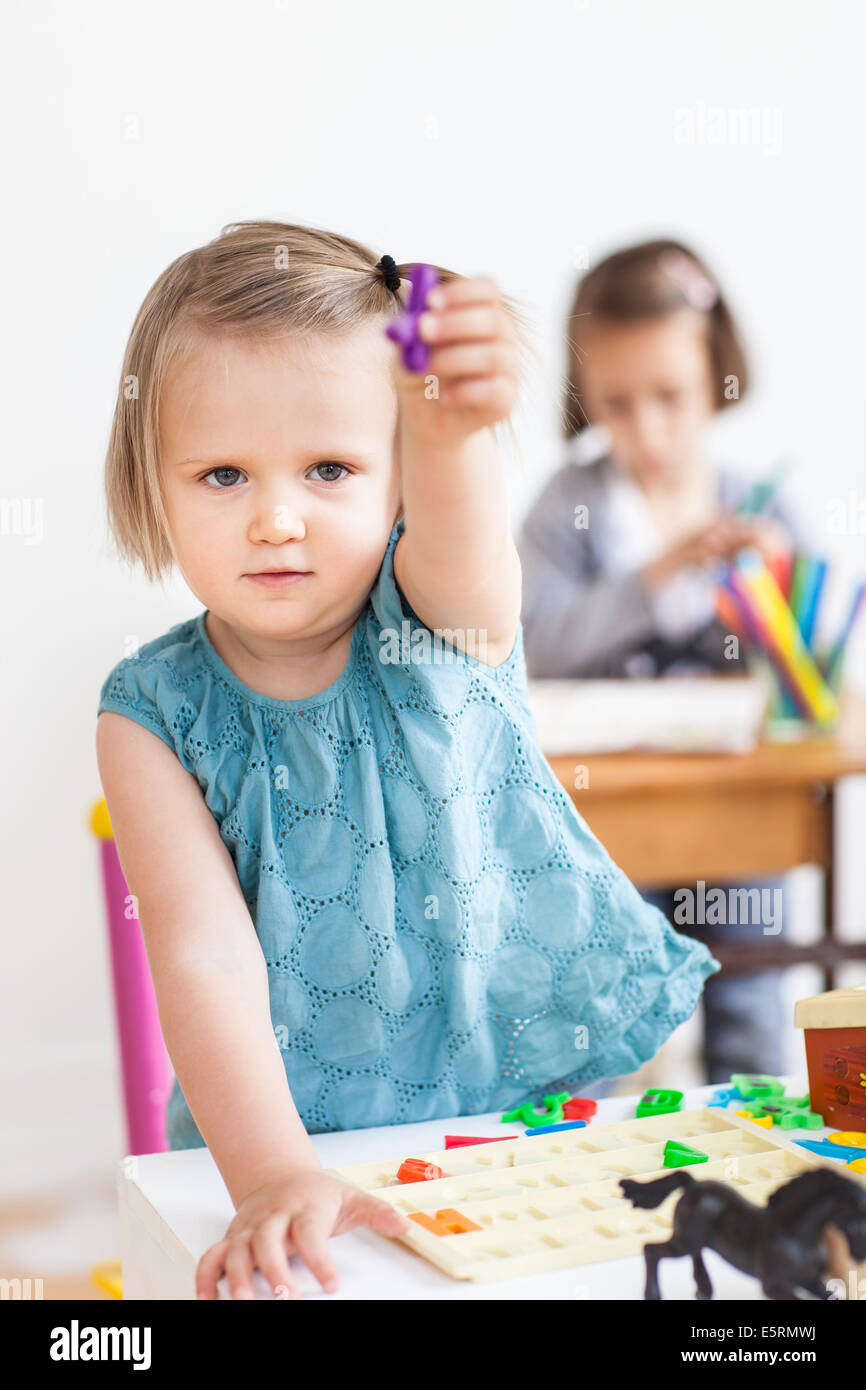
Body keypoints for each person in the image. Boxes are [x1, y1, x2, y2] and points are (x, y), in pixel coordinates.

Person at [96, 221, 717, 1299]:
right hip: (283, 1146)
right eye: (222, 474)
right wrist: (273, 1171)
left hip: (516, 1114)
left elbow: (463, 540)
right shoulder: (147, 713)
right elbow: (201, 957)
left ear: (393, 483)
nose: (277, 518)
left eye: (330, 467)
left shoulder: (436, 615)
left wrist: (446, 426)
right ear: (152, 481)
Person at [518, 237, 800, 1083]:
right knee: (603, 1006)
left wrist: (779, 577)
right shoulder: (570, 507)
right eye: (617, 401)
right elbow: (537, 641)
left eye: (671, 396)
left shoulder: (755, 500)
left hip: (737, 805)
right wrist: (657, 573)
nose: (646, 428)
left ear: (717, 372)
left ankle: (764, 1177)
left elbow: (815, 659)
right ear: (584, 394)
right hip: (609, 819)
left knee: (750, 997)